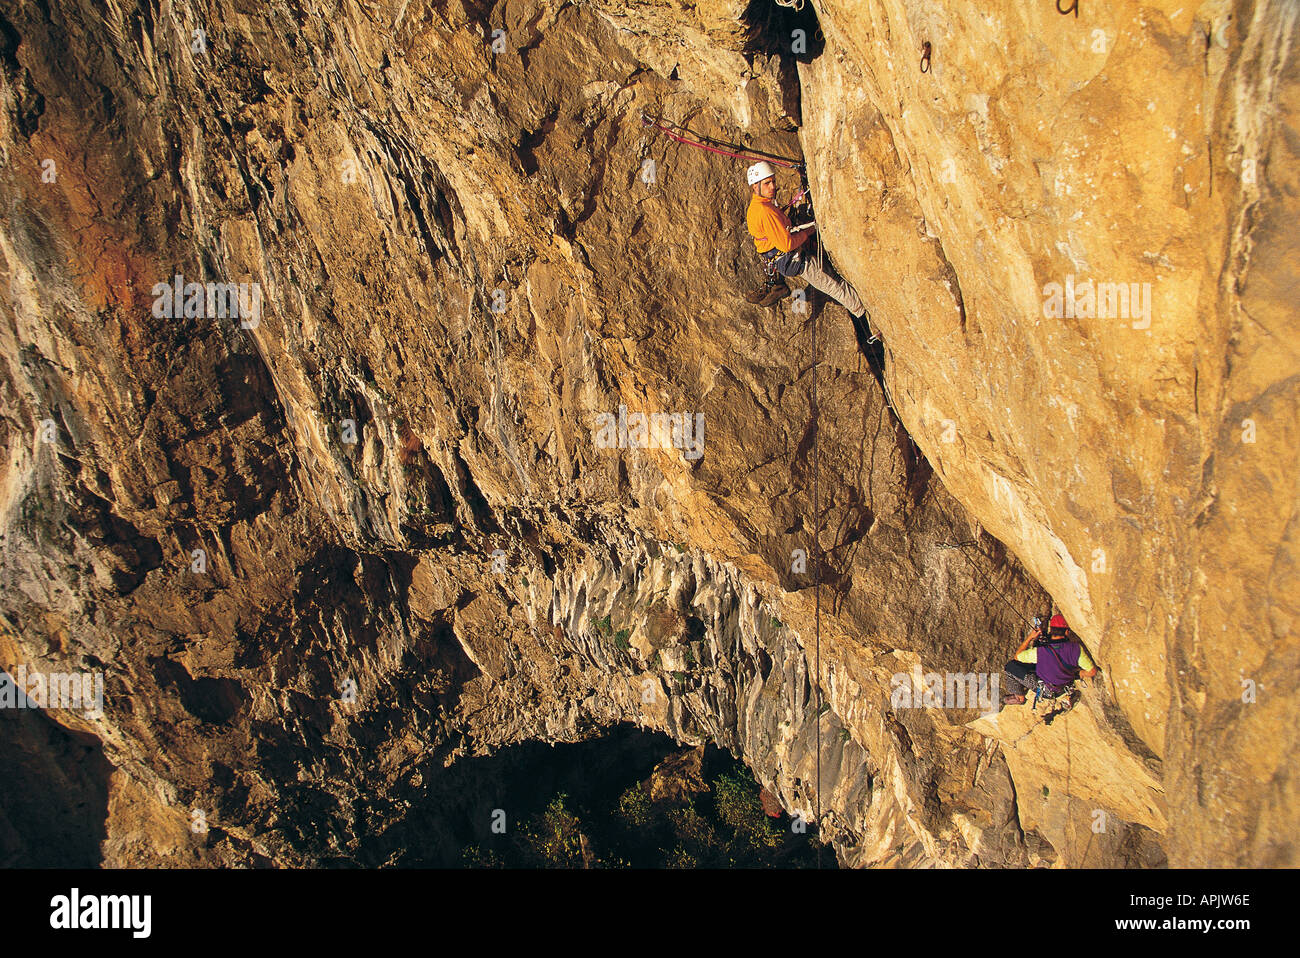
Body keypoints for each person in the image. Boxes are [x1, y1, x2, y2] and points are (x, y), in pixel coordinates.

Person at [743, 161, 869, 326]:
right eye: (767, 183)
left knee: (832, 282)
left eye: (773, 181)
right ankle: (863, 313)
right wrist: (807, 233)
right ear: (755, 187)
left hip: (783, 259)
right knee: (833, 285)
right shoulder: (764, 211)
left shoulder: (759, 205)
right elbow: (787, 244)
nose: (773, 186)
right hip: (794, 259)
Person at [1002, 614, 1097, 706]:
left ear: (1051, 630)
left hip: (1047, 691)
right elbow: (1092, 671)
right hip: (1066, 686)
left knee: (1010, 667)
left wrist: (1030, 637)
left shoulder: (1040, 652)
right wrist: (1078, 674)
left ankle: (1019, 698)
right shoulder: (1076, 649)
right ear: (1067, 632)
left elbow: (1017, 656)